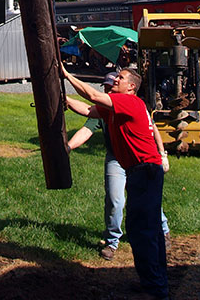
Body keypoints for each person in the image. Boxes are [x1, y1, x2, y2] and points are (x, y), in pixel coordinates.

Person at [63, 64, 169, 300]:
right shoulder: (116, 108)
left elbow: (92, 95)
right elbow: (90, 110)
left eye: (120, 78)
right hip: (138, 171)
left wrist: (67, 74)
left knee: (143, 229)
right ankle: (153, 283)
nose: (115, 81)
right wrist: (67, 101)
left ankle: (156, 290)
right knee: (142, 228)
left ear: (131, 86)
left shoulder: (129, 102)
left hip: (145, 170)